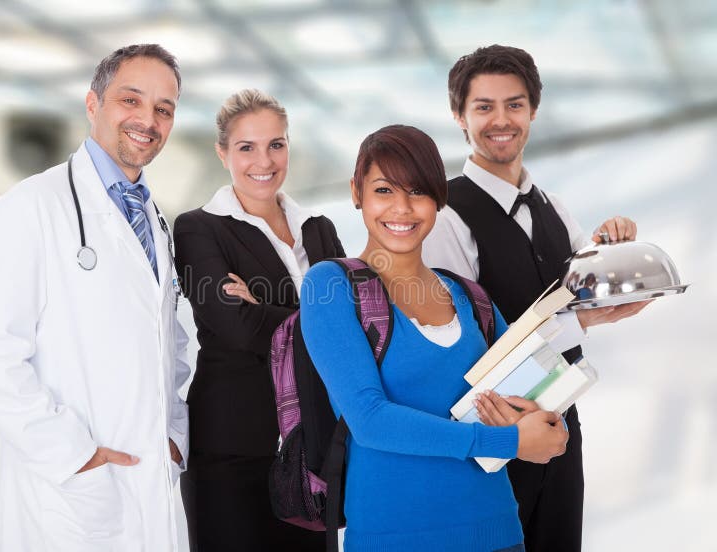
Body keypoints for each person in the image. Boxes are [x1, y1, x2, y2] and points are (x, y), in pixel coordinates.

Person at [0, 44, 191, 551]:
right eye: (131, 100)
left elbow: (170, 345)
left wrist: (173, 438)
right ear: (92, 104)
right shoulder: (31, 208)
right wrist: (74, 456)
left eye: (163, 109)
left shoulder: (154, 221)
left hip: (149, 490)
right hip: (70, 502)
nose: (148, 119)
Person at [422, 44, 649, 552]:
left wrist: (610, 248)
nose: (500, 120)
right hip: (494, 432)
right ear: (459, 116)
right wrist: (584, 324)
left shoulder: (552, 205)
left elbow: (577, 296)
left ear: (532, 112)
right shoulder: (445, 215)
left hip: (562, 420)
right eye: (484, 106)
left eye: (514, 104)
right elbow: (465, 338)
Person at [300, 124, 569, 552]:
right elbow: (370, 419)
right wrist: (512, 440)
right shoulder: (330, 286)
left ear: (439, 198)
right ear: (357, 193)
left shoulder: (472, 297)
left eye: (418, 192)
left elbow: (535, 392)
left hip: (498, 534)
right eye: (384, 190)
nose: (402, 209)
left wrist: (549, 425)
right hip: (392, 539)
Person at [173, 88, 344, 551]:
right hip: (233, 449)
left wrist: (262, 308)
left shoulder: (319, 228)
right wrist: (318, 319)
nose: (263, 160)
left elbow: (351, 328)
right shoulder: (198, 228)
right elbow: (236, 327)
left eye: (276, 144)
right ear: (222, 153)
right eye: (246, 147)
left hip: (314, 449)